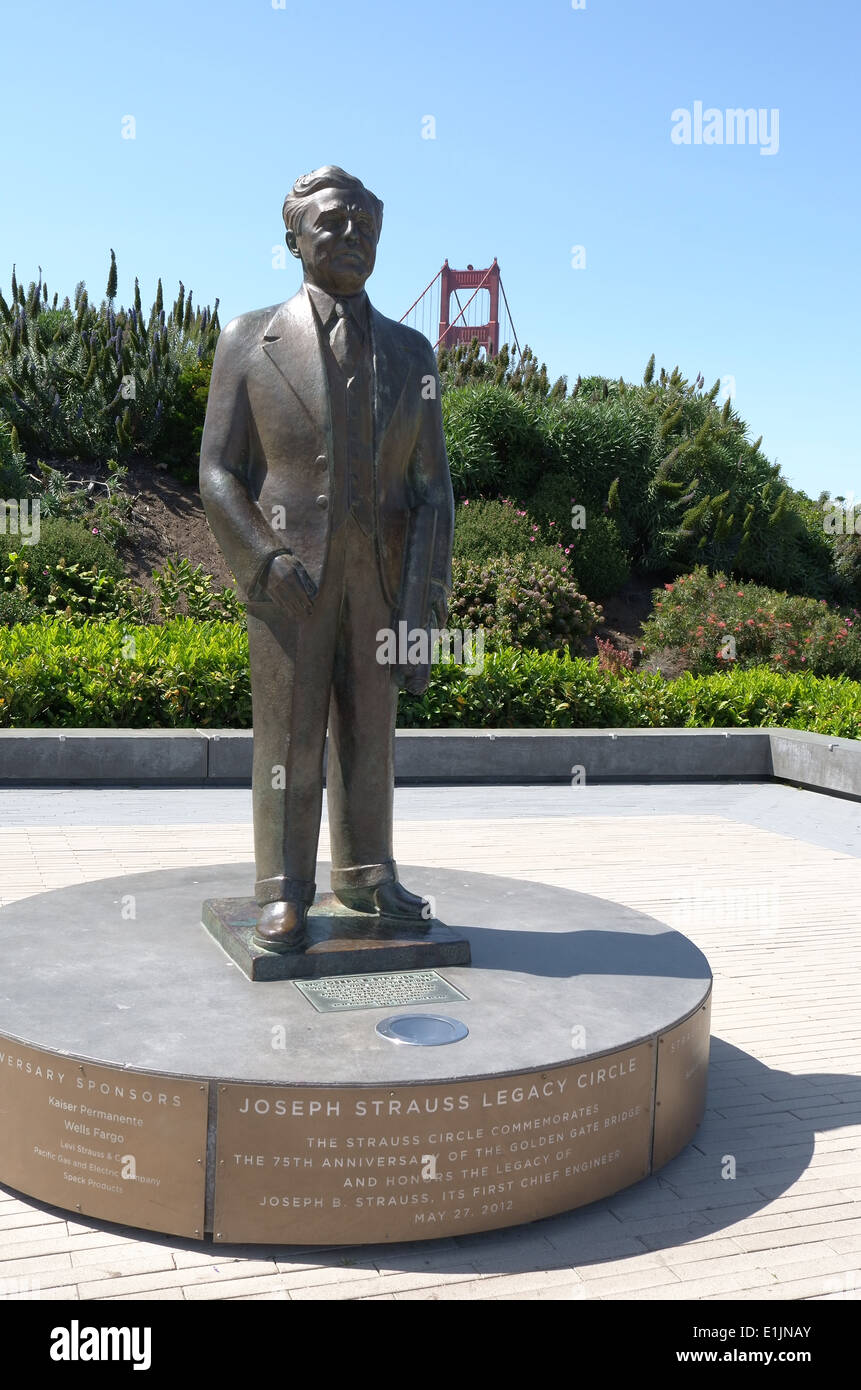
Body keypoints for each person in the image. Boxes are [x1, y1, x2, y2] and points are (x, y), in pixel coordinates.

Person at [200, 166, 454, 951]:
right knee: (287, 736)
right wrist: (263, 560)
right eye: (333, 224)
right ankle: (282, 890)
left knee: (371, 734)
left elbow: (433, 492)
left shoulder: (414, 354)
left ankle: (367, 874)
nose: (352, 239)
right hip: (289, 580)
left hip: (378, 582)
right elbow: (217, 471)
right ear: (293, 238)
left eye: (366, 228)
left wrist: (421, 610)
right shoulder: (248, 340)